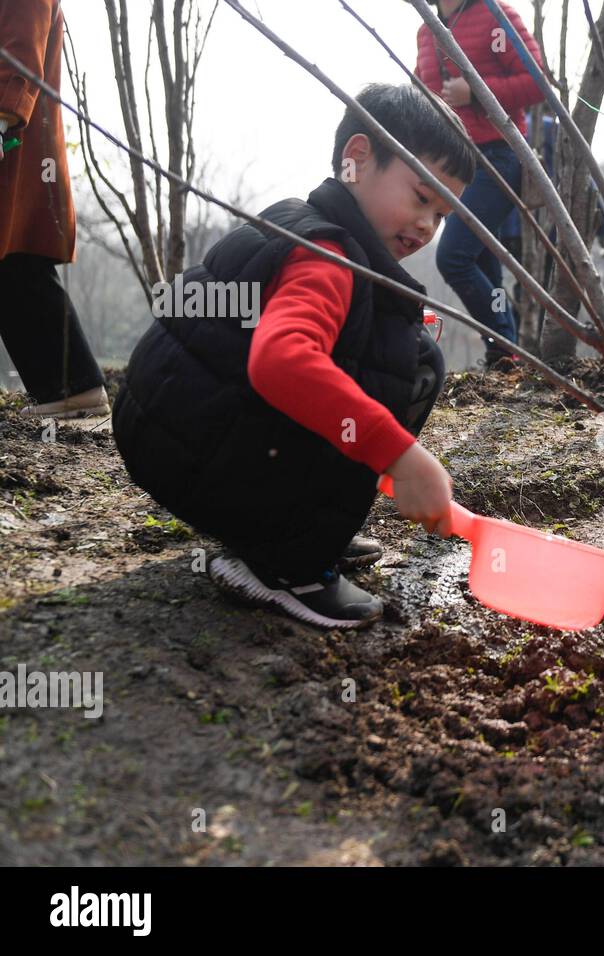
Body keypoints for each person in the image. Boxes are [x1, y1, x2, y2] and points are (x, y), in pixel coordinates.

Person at [112, 84, 475, 629]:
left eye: (442, 214)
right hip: (197, 461)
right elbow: (280, 363)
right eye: (421, 197)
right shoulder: (327, 261)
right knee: (413, 366)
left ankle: (298, 524)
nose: (428, 226)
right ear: (356, 159)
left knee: (407, 345)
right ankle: (285, 564)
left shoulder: (301, 222)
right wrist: (399, 456)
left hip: (163, 433)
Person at [416, 0, 543, 371]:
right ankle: (507, 354)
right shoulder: (427, 30)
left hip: (498, 155)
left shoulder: (494, 15)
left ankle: (505, 351)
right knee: (483, 265)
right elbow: (422, 93)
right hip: (451, 163)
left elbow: (536, 81)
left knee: (453, 255)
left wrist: (474, 91)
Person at [0, 0, 108, 419]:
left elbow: (20, 45)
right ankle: (71, 389)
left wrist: (4, 117)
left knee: (17, 256)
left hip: (16, 147)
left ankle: (75, 389)